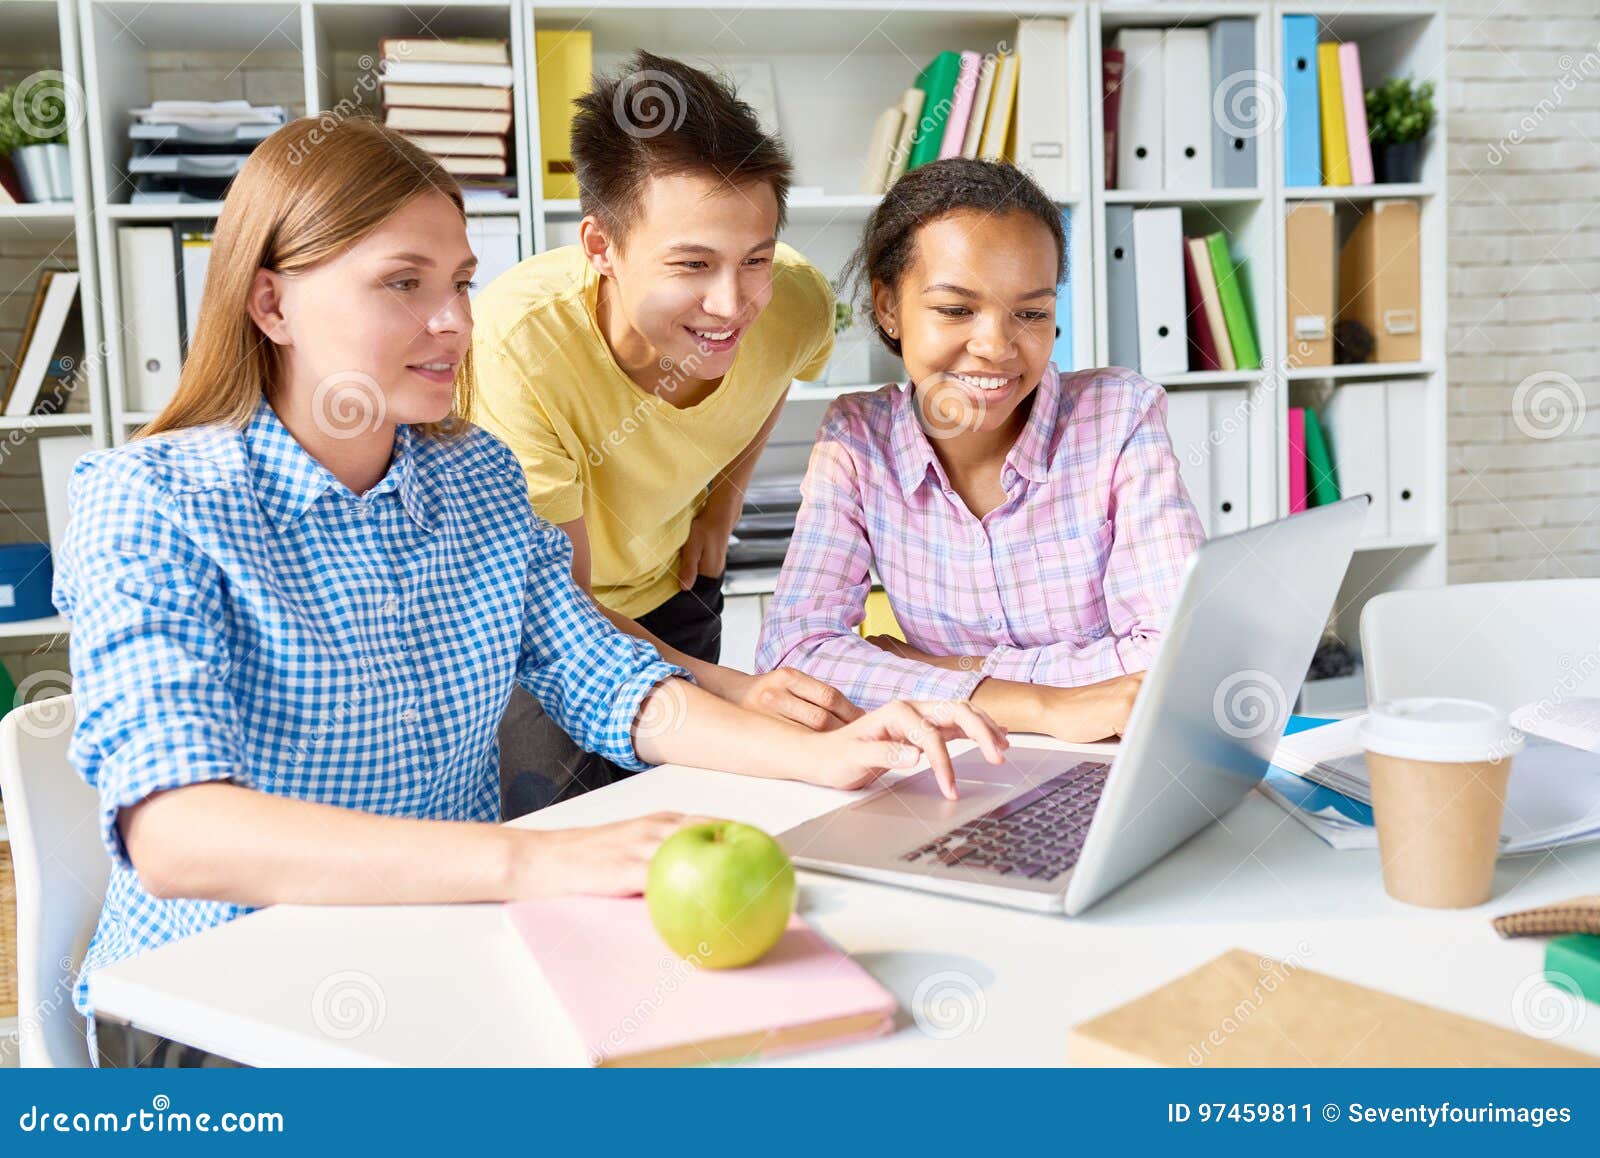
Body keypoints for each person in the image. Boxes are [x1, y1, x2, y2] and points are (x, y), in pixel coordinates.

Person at [54, 117, 1006, 1066]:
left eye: (461, 282)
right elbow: (176, 832)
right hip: (219, 1000)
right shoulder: (150, 503)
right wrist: (535, 860)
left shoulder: (476, 476)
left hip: (443, 948)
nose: (454, 323)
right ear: (271, 303)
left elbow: (616, 683)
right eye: (402, 284)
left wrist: (830, 756)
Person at [468, 51, 858, 813]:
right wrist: (736, 693)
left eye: (754, 258)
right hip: (548, 624)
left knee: (684, 819)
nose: (731, 303)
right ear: (600, 249)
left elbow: (776, 374)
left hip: (676, 585)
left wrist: (723, 504)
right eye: (692, 264)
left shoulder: (796, 303)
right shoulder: (519, 345)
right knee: (565, 829)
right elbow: (564, 608)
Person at [756, 159, 1206, 742]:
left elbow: (1177, 658)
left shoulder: (1118, 417)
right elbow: (794, 656)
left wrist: (944, 671)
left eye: (1031, 313)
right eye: (955, 310)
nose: (995, 346)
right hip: (953, 767)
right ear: (889, 306)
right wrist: (1042, 706)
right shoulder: (858, 441)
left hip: (1110, 762)